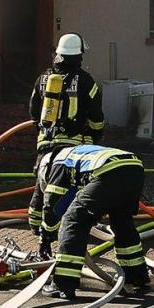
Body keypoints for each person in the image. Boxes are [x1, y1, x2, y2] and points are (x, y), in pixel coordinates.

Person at [36, 143, 149, 300]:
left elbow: (52, 207)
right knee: (122, 223)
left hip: (108, 171)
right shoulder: (73, 155)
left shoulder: (59, 163)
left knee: (73, 221)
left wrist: (45, 236)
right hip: (134, 168)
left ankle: (63, 284)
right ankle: (137, 275)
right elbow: (68, 201)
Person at [26, 34, 105, 238]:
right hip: (72, 147)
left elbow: (34, 111)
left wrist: (43, 131)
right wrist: (96, 139)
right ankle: (64, 227)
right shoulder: (86, 81)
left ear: (59, 55)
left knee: (42, 183)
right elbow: (97, 116)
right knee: (69, 186)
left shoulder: (43, 79)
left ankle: (36, 225)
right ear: (79, 55)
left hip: (45, 145)